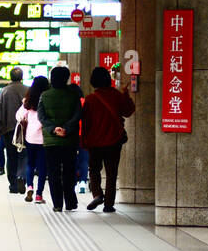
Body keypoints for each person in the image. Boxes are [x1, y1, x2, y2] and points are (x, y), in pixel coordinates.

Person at [81, 66, 136, 213]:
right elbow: (128, 111)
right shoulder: (117, 96)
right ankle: (109, 204)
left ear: (93, 81)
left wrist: (84, 140)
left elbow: (85, 122)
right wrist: (126, 95)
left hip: (95, 141)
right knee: (112, 172)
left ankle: (98, 194)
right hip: (114, 140)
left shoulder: (90, 99)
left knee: (94, 169)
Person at [38, 66, 84, 211]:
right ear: (67, 78)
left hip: (51, 141)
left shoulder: (44, 96)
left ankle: (57, 204)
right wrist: (66, 129)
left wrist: (53, 129)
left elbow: (41, 116)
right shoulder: (73, 95)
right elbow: (78, 115)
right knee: (69, 172)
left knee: (53, 172)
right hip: (69, 140)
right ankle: (70, 202)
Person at [0, 68, 28, 194]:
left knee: (11, 156)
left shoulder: (4, 91)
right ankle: (21, 176)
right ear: (22, 77)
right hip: (25, 130)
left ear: (10, 77)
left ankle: (13, 185)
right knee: (23, 156)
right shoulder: (28, 90)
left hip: (9, 129)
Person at [15, 75, 50, 203]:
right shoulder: (48, 99)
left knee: (30, 163)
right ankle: (39, 195)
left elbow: (18, 116)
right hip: (44, 138)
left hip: (30, 138)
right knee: (42, 168)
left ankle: (29, 187)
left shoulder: (28, 100)